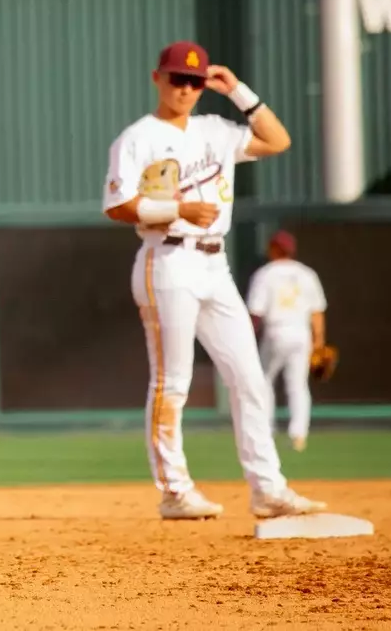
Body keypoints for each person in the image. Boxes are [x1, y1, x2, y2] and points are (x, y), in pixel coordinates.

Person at [101, 40, 325, 521]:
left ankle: (268, 488)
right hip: (166, 259)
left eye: (195, 81)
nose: (185, 88)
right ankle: (175, 491)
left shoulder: (216, 131)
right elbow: (118, 206)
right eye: (177, 78)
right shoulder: (138, 137)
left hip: (214, 264)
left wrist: (239, 91)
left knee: (249, 378)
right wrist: (176, 209)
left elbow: (277, 140)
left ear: (205, 86)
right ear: (157, 79)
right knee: (172, 382)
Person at [246, 230, 328, 452]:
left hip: (276, 331)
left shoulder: (265, 274)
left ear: (273, 248)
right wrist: (319, 342)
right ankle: (299, 435)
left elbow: (256, 313)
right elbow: (317, 311)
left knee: (264, 381)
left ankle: (266, 431)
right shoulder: (307, 274)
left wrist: (246, 341)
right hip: (301, 333)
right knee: (298, 386)